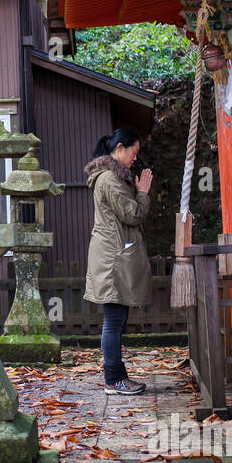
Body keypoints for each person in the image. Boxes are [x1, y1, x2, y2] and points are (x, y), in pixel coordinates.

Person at [83, 127, 153, 394]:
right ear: (120, 148)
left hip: (112, 255)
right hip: (112, 259)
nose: (135, 158)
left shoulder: (112, 177)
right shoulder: (110, 179)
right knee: (113, 321)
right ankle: (114, 379)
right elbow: (133, 214)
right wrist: (143, 192)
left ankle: (117, 377)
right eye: (133, 153)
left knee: (116, 319)